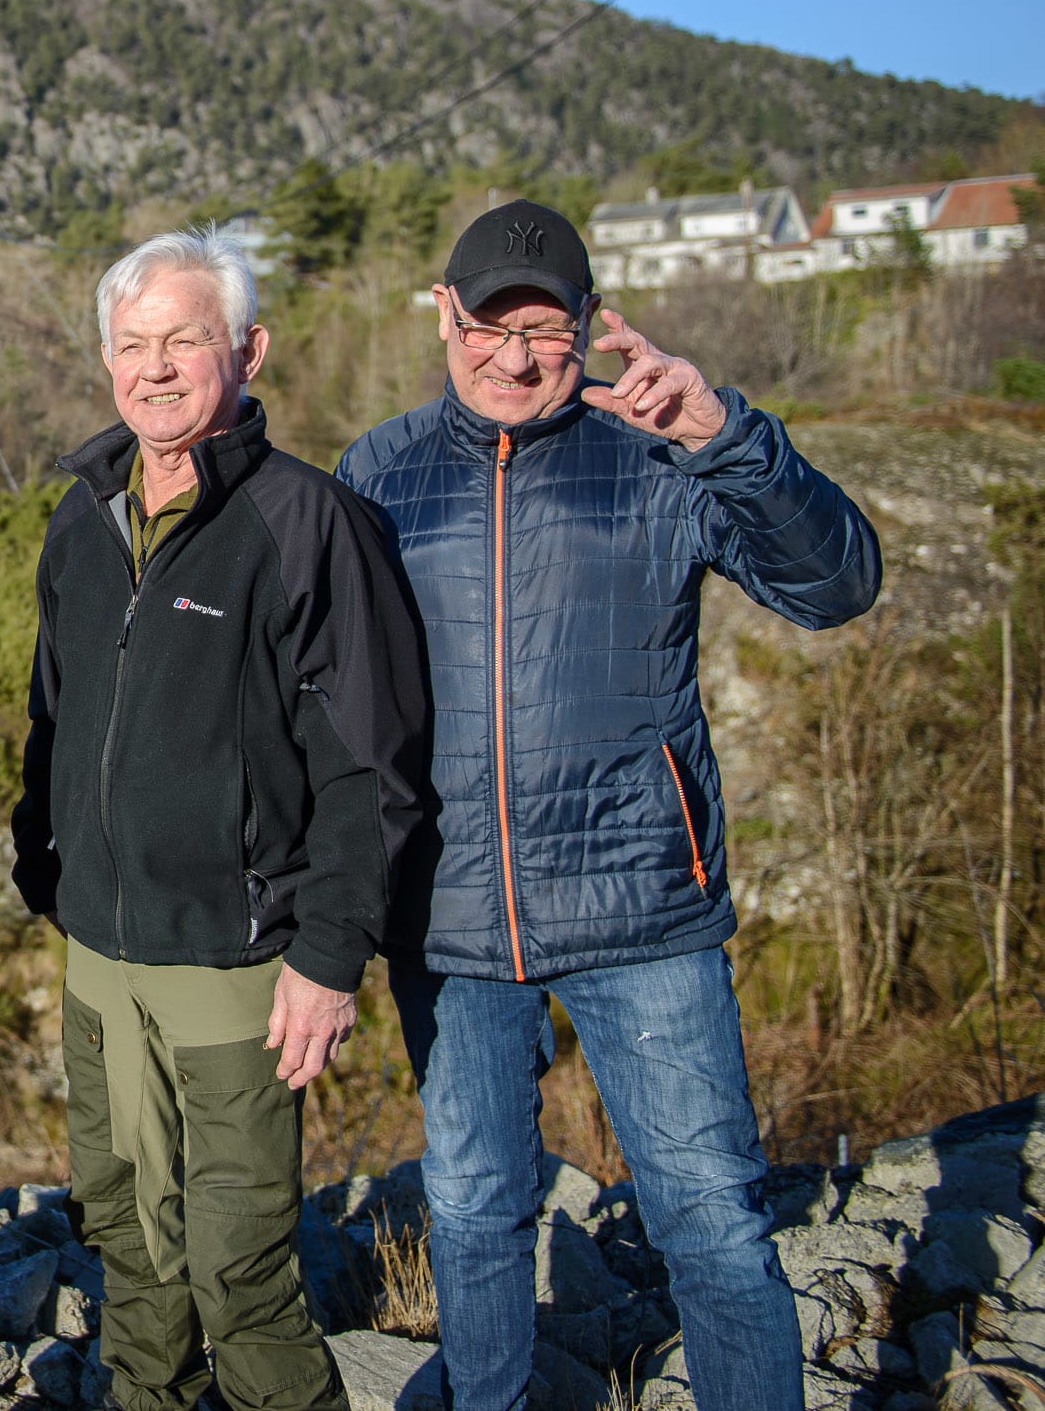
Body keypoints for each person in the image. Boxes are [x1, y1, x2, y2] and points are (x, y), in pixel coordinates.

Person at [337, 199, 881, 1411]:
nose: (517, 355)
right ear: (444, 314)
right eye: (491, 324)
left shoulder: (655, 449)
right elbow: (324, 687)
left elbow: (838, 582)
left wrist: (723, 432)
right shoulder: (377, 470)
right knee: (473, 1210)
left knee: (708, 1214)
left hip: (646, 902)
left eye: (547, 328)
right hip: (452, 915)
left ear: (590, 322)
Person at [10, 229, 430, 1411]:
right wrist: (44, 870)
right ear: (105, 360)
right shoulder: (81, 516)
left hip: (239, 967)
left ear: (245, 350)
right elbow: (53, 715)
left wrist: (329, 952)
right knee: (130, 1249)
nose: (154, 367)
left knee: (237, 1265)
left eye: (183, 340)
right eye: (131, 344)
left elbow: (369, 769)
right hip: (99, 961)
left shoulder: (307, 525)